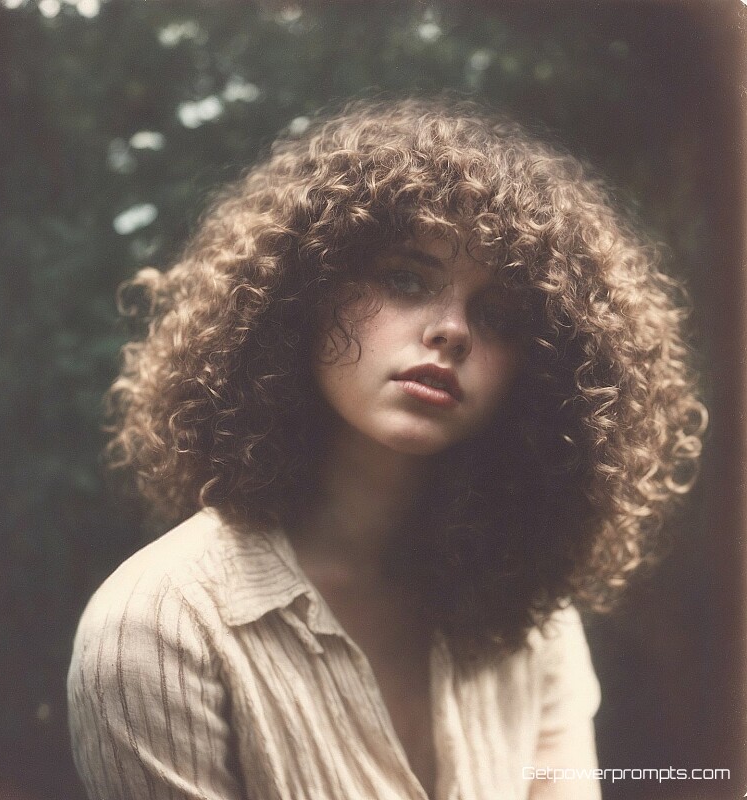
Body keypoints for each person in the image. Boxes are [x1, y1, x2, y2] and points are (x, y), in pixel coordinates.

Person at [67, 97, 706, 800]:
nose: (451, 330)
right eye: (406, 279)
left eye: (497, 315)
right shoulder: (162, 627)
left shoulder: (531, 618)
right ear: (303, 293)